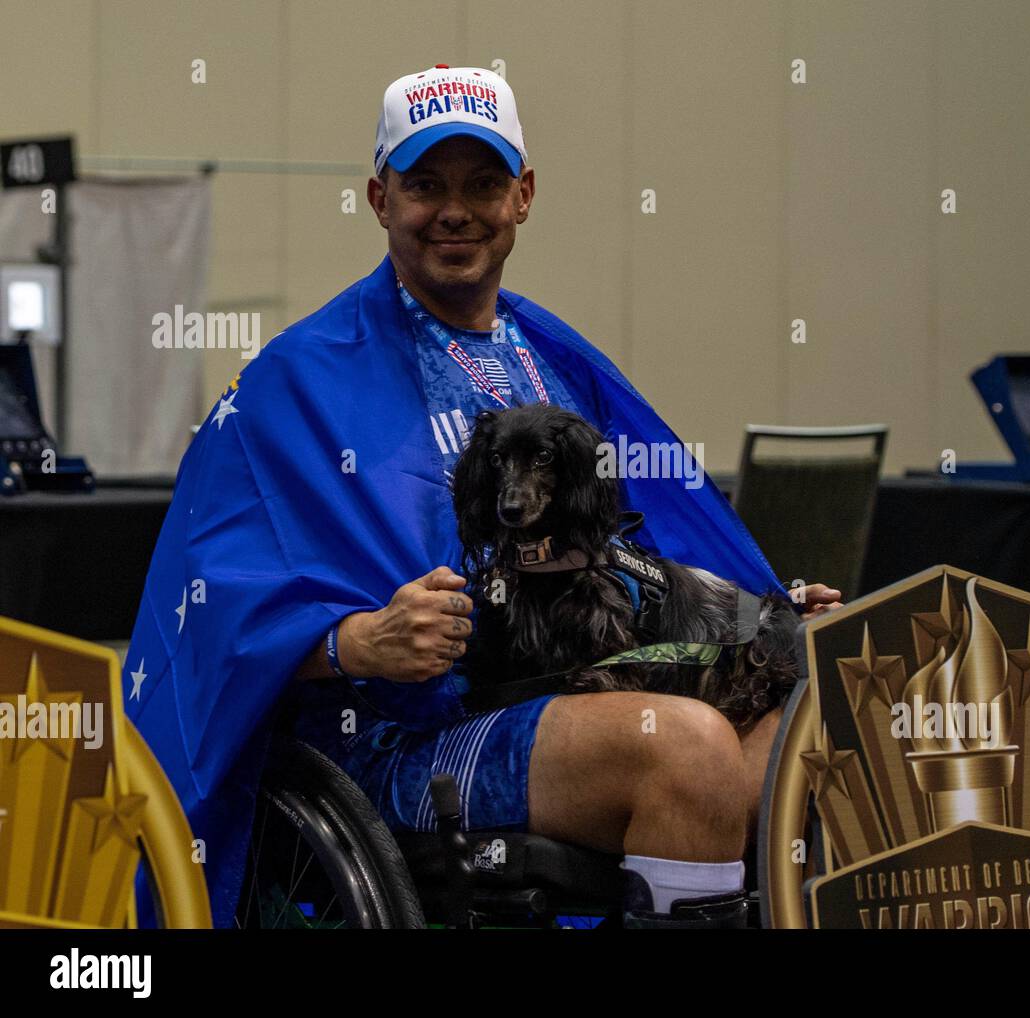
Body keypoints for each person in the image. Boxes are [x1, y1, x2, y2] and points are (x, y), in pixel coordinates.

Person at [124, 63, 841, 929]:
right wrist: (355, 641)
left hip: (567, 690)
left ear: (524, 196)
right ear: (379, 197)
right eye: (426, 184)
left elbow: (634, 558)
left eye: (483, 183)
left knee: (810, 717)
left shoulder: (555, 360)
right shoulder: (293, 383)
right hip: (402, 746)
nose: (455, 209)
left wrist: (760, 615)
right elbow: (202, 622)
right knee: (686, 753)